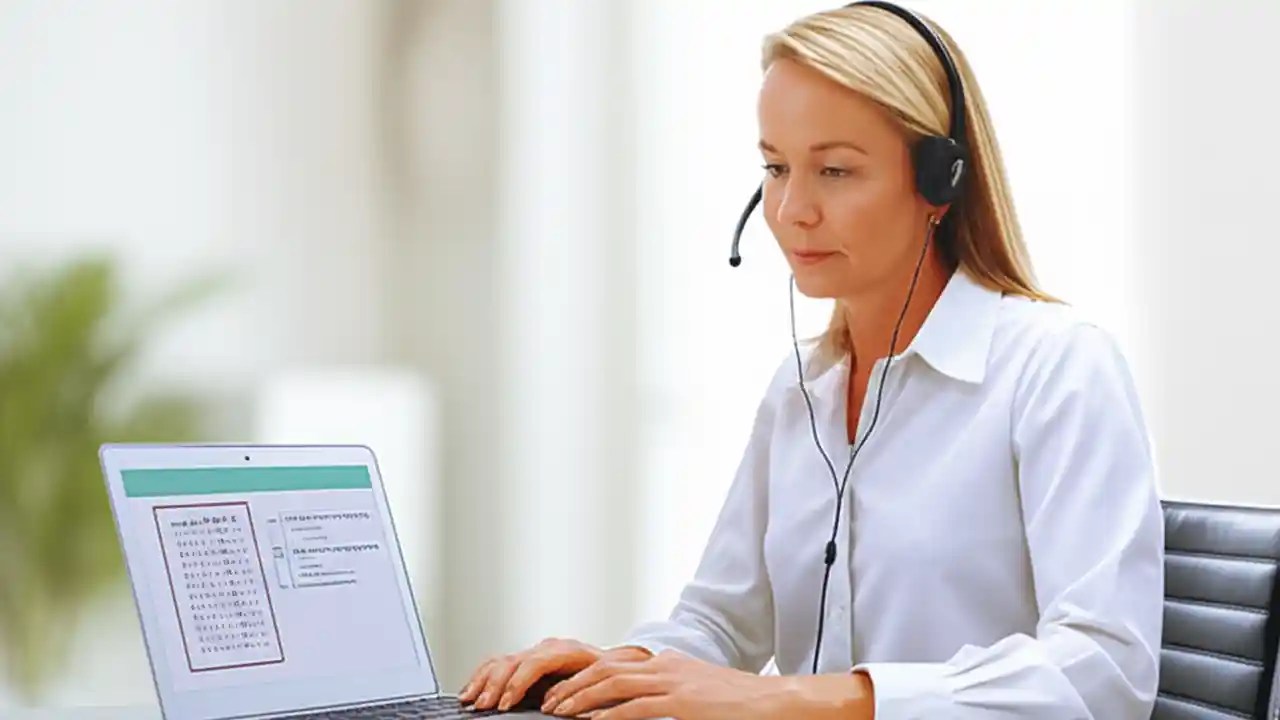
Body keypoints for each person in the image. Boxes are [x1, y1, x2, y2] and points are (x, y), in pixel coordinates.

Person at [460, 2, 1164, 718]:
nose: (791, 209)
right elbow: (722, 623)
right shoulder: (802, 390)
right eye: (774, 167)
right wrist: (616, 670)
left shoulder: (1055, 369)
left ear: (938, 185)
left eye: (834, 170)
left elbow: (1103, 673)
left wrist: (794, 699)